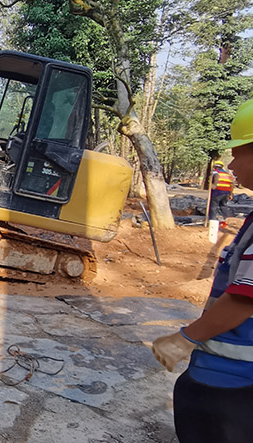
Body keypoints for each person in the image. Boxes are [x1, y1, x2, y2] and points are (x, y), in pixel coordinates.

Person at [152, 98, 253, 443]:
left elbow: (244, 300)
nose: (231, 162)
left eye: (238, 151)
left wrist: (186, 338)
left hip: (231, 378)